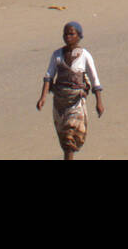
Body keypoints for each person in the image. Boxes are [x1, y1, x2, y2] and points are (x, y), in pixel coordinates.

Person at [37, 21, 104, 160]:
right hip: (60, 103)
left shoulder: (85, 55)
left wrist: (99, 102)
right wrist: (43, 97)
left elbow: (94, 79)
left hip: (76, 101)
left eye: (71, 34)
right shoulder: (57, 55)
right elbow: (49, 76)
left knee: (70, 137)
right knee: (63, 136)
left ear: (79, 36)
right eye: (65, 34)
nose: (68, 37)